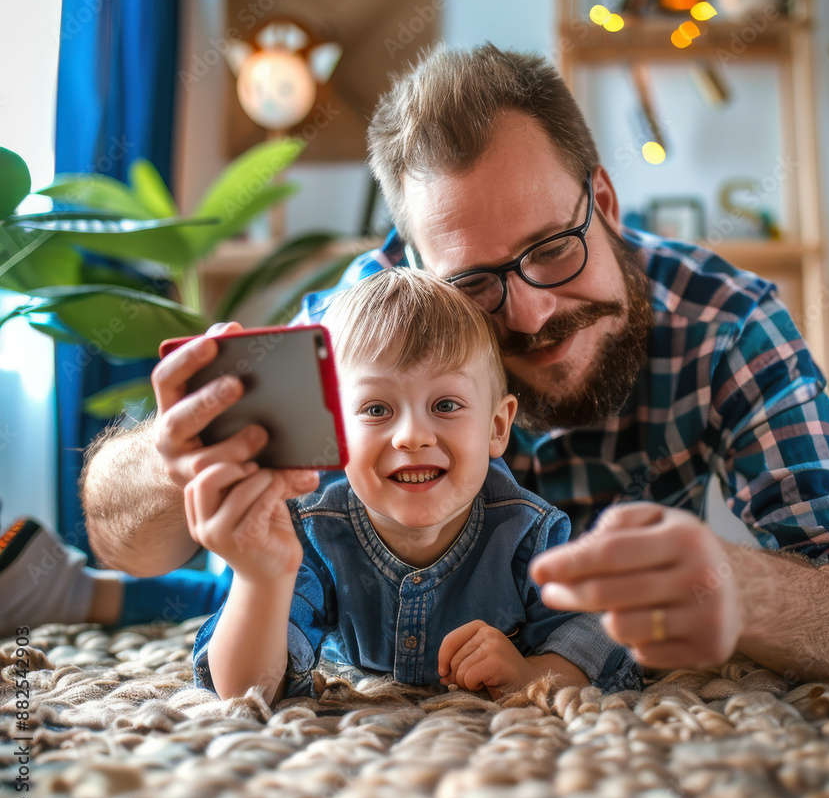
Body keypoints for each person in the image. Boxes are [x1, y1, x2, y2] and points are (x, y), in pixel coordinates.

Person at [19, 44, 829, 690]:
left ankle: (89, 600)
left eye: (553, 248)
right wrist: (176, 454)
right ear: (415, 272)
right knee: (258, 578)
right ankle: (94, 599)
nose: (532, 310)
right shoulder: (369, 320)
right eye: (477, 283)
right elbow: (129, 530)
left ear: (605, 202)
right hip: (361, 602)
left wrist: (743, 588)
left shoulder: (727, 326)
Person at [186, 268, 641, 703]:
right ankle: (127, 591)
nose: (412, 436)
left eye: (445, 404)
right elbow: (247, 692)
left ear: (497, 427)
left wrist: (530, 673)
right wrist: (260, 579)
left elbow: (598, 635)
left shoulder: (527, 532)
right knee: (211, 594)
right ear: (334, 432)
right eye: (376, 410)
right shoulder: (314, 532)